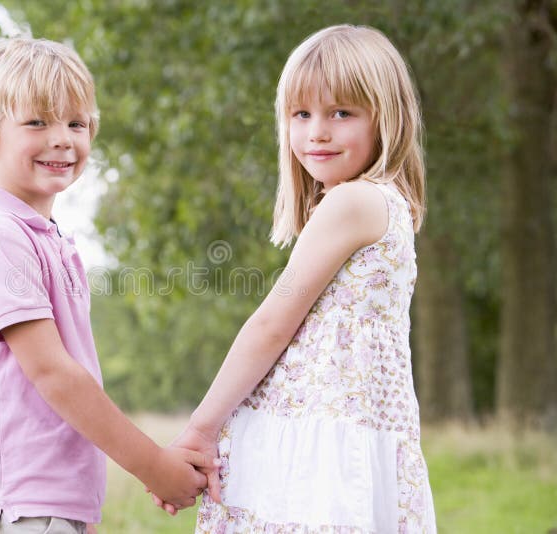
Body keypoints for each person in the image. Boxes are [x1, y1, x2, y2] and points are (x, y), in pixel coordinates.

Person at [158, 24, 437, 532]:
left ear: (386, 119)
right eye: (301, 114)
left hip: (321, 450)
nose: (318, 132)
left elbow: (271, 325)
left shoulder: (353, 202)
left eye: (342, 113)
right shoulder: (386, 206)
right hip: (346, 437)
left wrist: (201, 428)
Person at [0, 37, 217, 534]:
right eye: (37, 122)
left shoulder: (45, 237)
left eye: (76, 123)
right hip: (17, 508)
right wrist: (154, 466)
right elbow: (54, 374)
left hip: (49, 505)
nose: (63, 138)